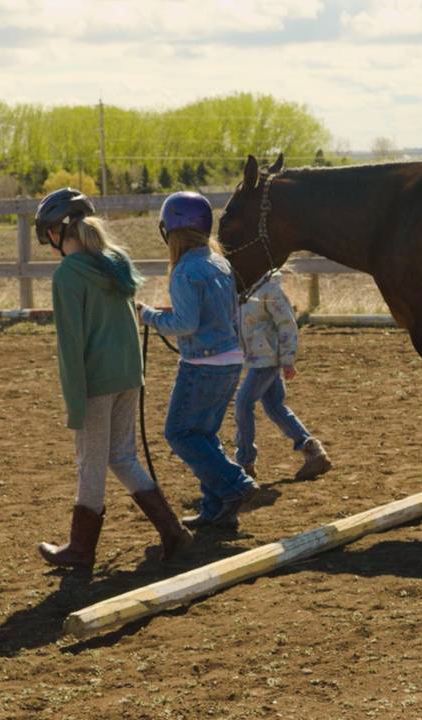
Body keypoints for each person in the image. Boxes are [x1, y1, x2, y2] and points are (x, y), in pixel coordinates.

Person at [34, 187, 193, 569]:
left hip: (95, 382)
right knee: (122, 456)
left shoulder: (69, 275)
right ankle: (172, 531)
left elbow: (71, 348)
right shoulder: (115, 260)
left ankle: (80, 549)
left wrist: (75, 403)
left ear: (58, 232)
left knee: (91, 462)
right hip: (128, 376)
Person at [137, 191, 258, 532]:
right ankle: (218, 508)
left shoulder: (185, 270)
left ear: (171, 231)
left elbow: (186, 324)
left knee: (179, 433)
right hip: (230, 359)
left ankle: (236, 483)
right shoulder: (220, 263)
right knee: (204, 434)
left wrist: (148, 317)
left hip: (203, 364)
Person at [234, 271, 332, 481]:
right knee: (275, 407)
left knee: (243, 404)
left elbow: (287, 324)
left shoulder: (270, 290)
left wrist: (288, 358)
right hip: (257, 358)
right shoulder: (244, 290)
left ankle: (245, 462)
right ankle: (313, 451)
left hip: (267, 360)